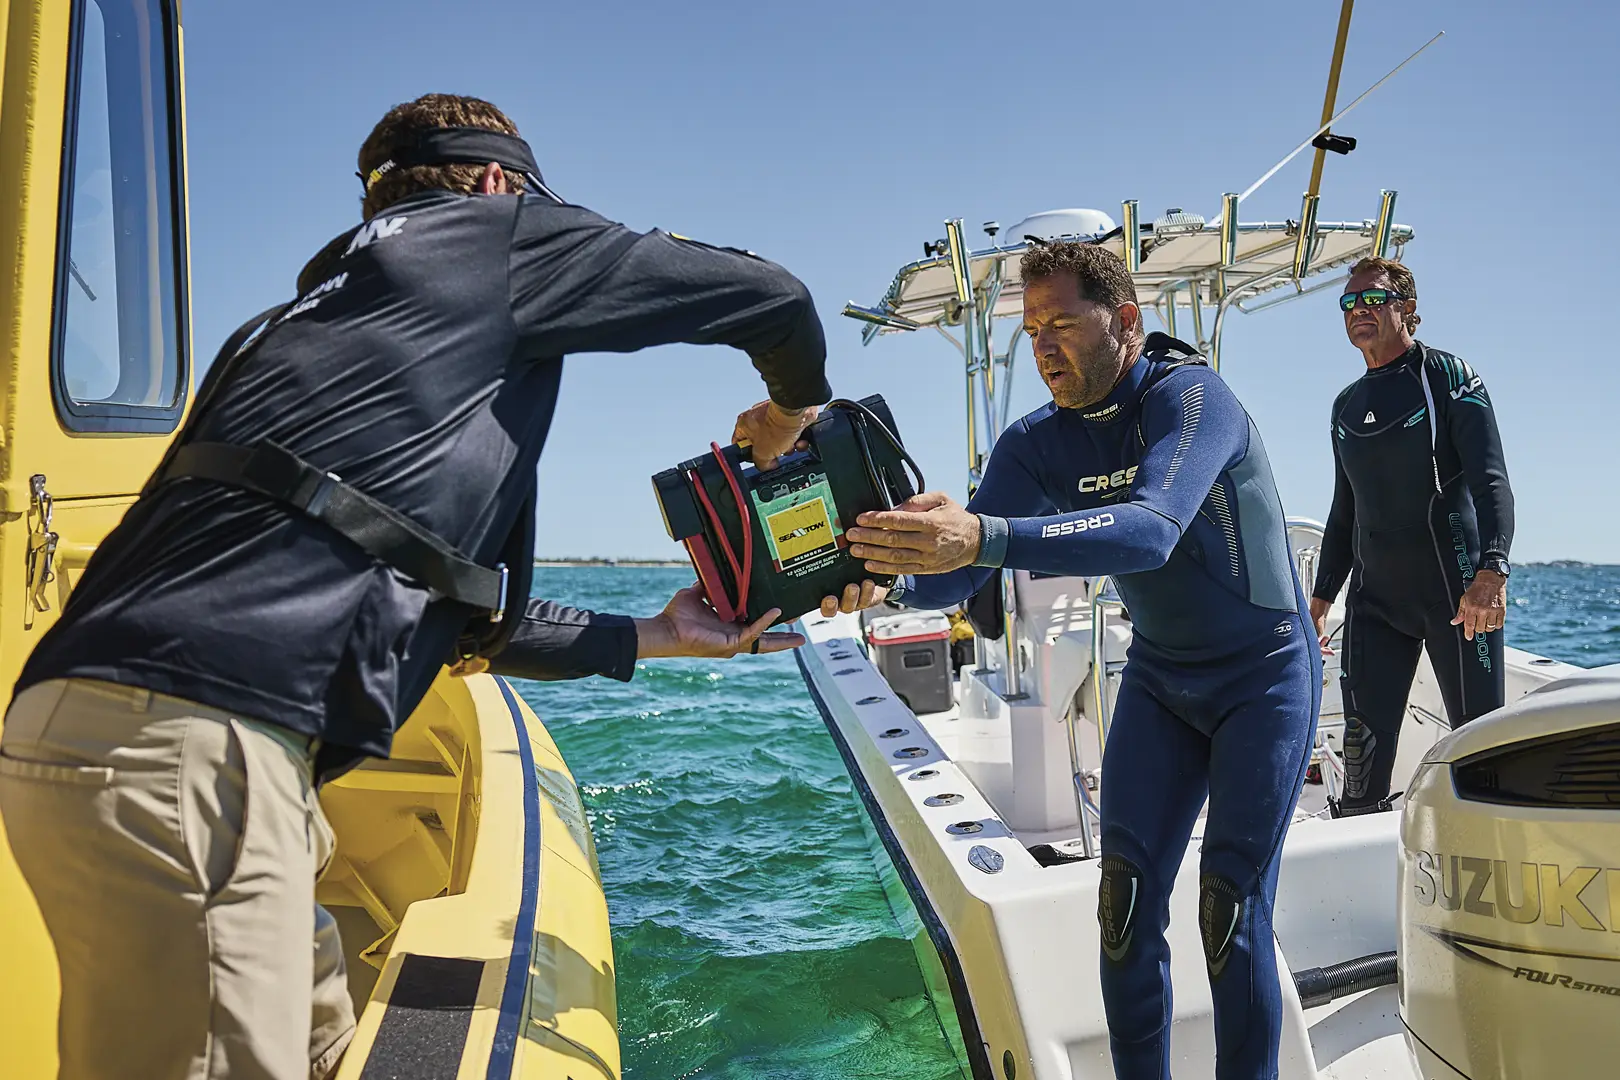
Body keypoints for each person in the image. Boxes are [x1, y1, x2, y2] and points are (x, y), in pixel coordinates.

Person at [0, 94, 828, 1080]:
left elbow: (446, 614)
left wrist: (654, 633)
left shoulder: (286, 329)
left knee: (315, 1046)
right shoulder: (494, 235)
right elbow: (774, 296)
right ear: (494, 183)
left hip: (97, 724)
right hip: (199, 750)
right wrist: (790, 417)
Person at [839, 241, 1320, 1080]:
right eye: (1030, 330)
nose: (1043, 347)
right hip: (1164, 681)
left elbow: (1151, 530)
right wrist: (875, 576)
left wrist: (985, 534)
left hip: (1263, 676)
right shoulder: (1036, 446)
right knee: (1124, 908)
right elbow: (956, 574)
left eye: (1062, 323)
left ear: (1126, 322)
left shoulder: (1194, 399)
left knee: (1228, 909)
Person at [1308, 257, 1514, 816]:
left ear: (1408, 309)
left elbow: (1490, 479)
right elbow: (1344, 509)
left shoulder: (1448, 378)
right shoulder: (1345, 406)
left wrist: (1492, 571)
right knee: (1360, 767)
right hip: (1376, 604)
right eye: (1348, 303)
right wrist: (1322, 597)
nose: (1359, 311)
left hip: (1458, 594)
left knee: (1483, 757)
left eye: (1373, 299)